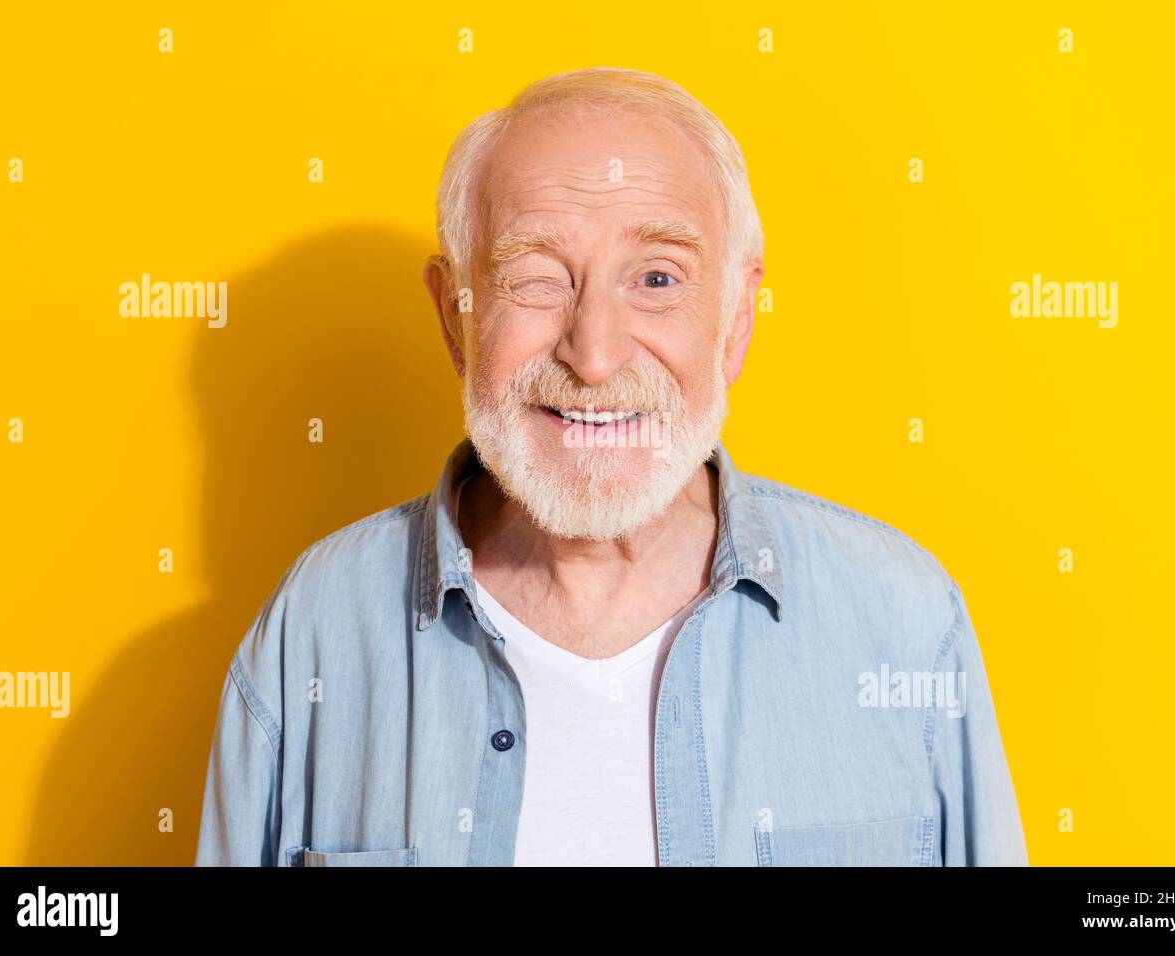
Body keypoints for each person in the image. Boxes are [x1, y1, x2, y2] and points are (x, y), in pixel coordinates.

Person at [196, 66, 1027, 867]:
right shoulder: (314, 631)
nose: (593, 356)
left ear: (737, 318)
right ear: (456, 319)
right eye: (534, 280)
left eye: (657, 278)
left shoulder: (905, 623)